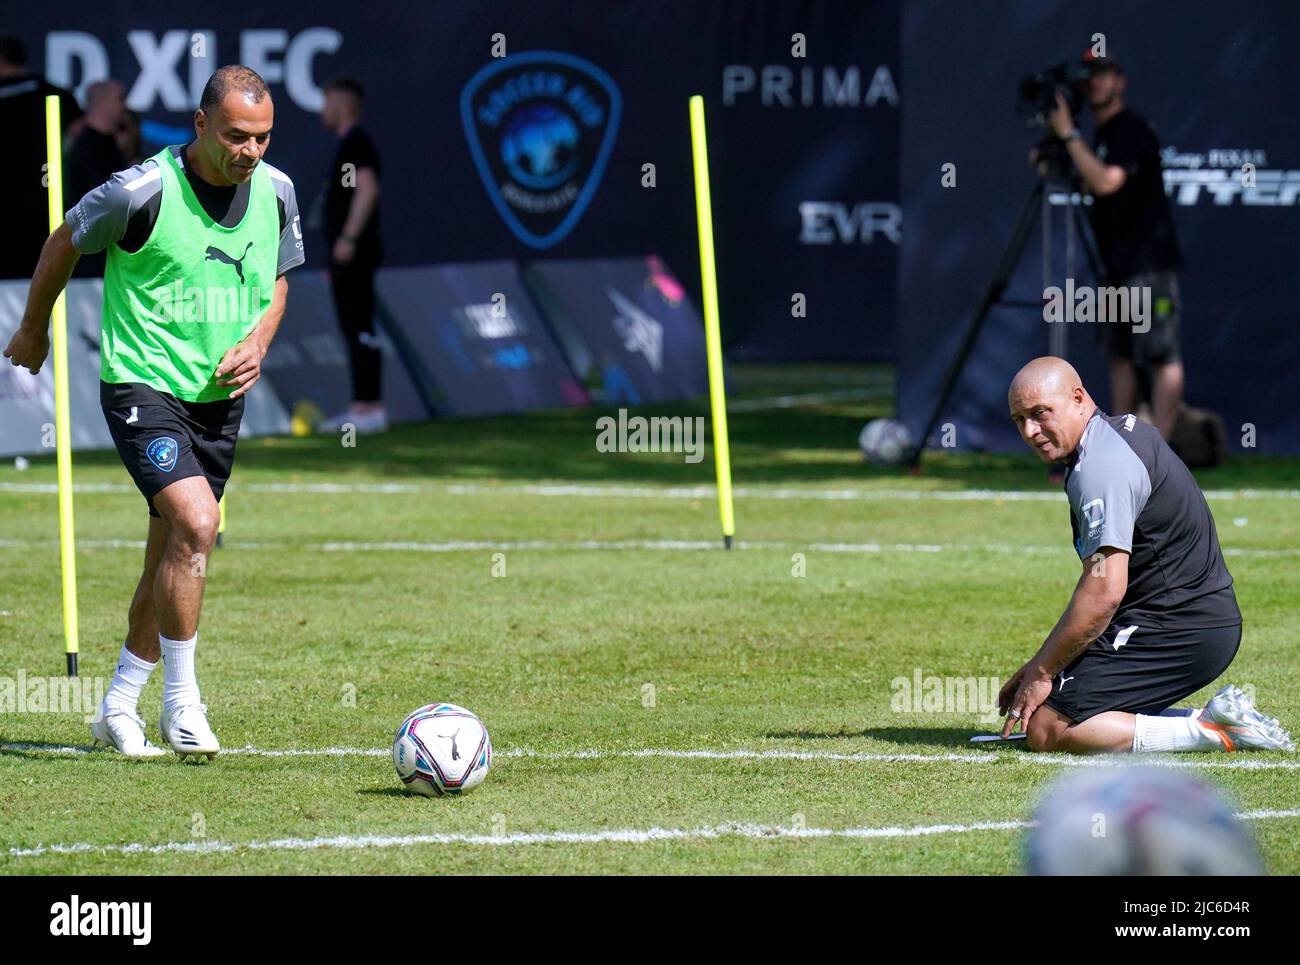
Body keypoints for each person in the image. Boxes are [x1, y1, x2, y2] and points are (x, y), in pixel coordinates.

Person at [2, 65, 305, 758]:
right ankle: (183, 704)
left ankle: (116, 705)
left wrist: (259, 339)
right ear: (200, 124)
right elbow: (63, 241)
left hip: (219, 402)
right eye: (235, 135)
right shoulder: (140, 189)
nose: (249, 151)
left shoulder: (277, 190)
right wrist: (33, 328)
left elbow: (281, 279)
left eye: (261, 138)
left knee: (171, 556)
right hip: (143, 389)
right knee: (199, 525)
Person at [999, 356, 1293, 754]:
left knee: (1047, 728)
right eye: (1020, 420)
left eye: (1040, 414)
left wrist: (1043, 670)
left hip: (1180, 627)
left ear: (1078, 398)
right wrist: (1042, 664)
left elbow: (1104, 592)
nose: (1031, 431)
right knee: (1049, 711)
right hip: (1191, 618)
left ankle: (1211, 731)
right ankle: (1219, 717)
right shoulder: (1117, 436)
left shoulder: (1101, 466)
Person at [1046, 52, 1184, 440]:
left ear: (1120, 80)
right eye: (1088, 76)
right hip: (1116, 265)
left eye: (1103, 74)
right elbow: (1092, 183)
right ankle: (1123, 447)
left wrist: (1069, 135)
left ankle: (1163, 452)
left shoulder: (1129, 128)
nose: (1095, 82)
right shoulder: (1103, 135)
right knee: (1120, 355)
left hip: (1149, 265)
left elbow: (1108, 181)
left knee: (1160, 354)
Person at [319, 75, 385, 432]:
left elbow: (367, 189)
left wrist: (348, 237)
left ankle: (367, 409)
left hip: (356, 254)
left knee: (359, 327)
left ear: (342, 106)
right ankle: (364, 405)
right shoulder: (349, 145)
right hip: (351, 253)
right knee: (355, 326)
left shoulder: (357, 143)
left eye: (327, 103)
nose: (322, 112)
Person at [0, 33, 83, 279]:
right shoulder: (54, 93)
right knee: (43, 273)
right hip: (46, 201)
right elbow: (79, 135)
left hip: (5, 208)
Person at [65, 79, 128, 277]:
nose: (123, 106)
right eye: (120, 99)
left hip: (107, 251)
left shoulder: (108, 143)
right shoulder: (84, 146)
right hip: (90, 254)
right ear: (104, 102)